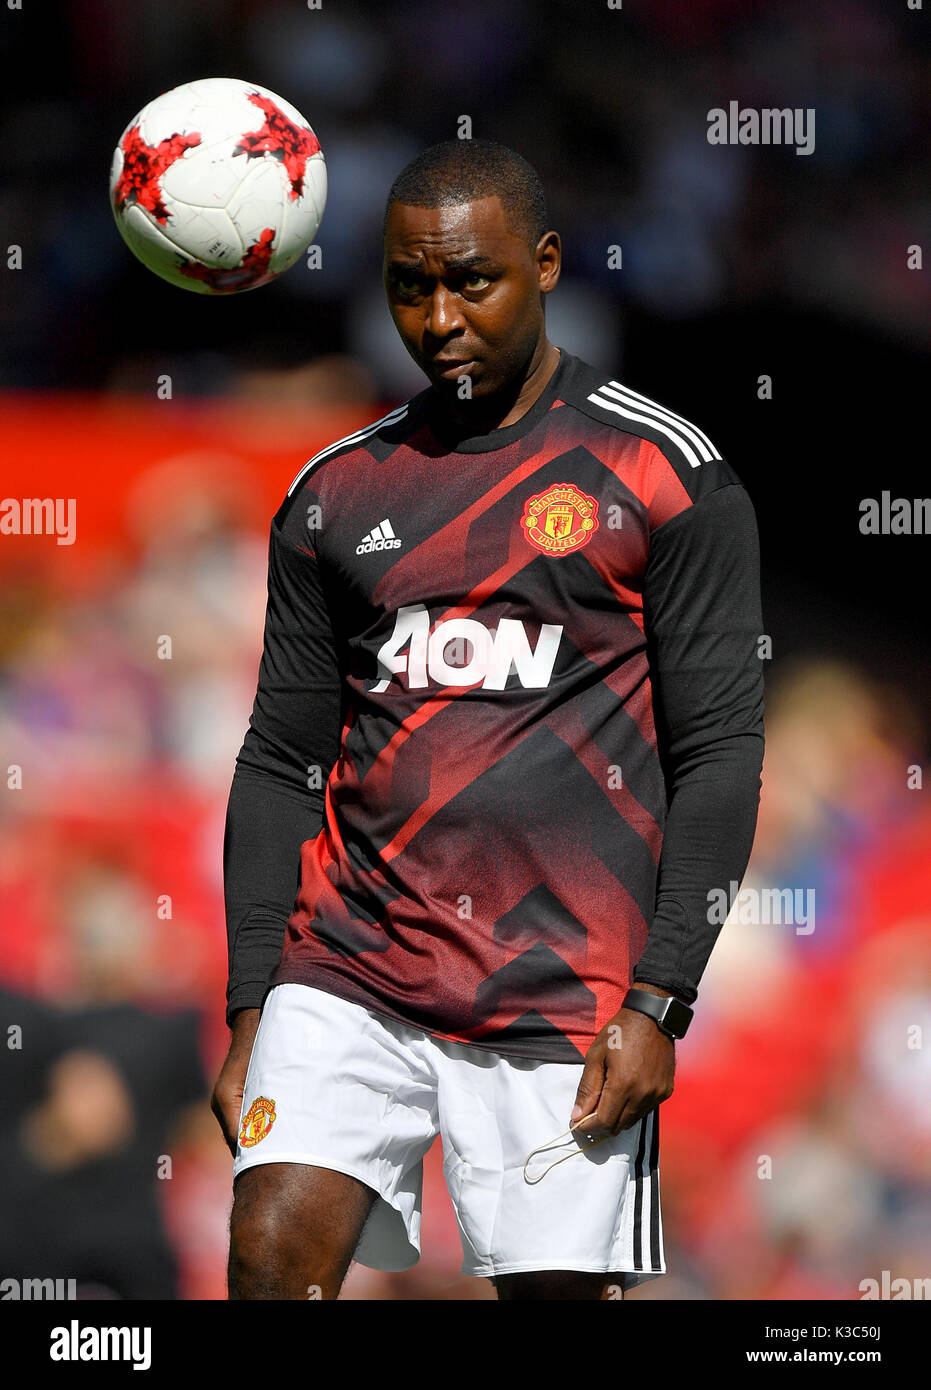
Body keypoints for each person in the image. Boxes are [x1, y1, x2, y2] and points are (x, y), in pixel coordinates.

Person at [211, 139, 765, 1301]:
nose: (439, 315)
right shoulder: (334, 493)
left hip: (564, 986)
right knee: (269, 1257)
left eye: (472, 280)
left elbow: (720, 753)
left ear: (548, 263)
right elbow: (277, 758)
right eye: (410, 286)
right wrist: (255, 993)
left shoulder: (664, 472)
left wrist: (663, 996)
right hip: (350, 965)